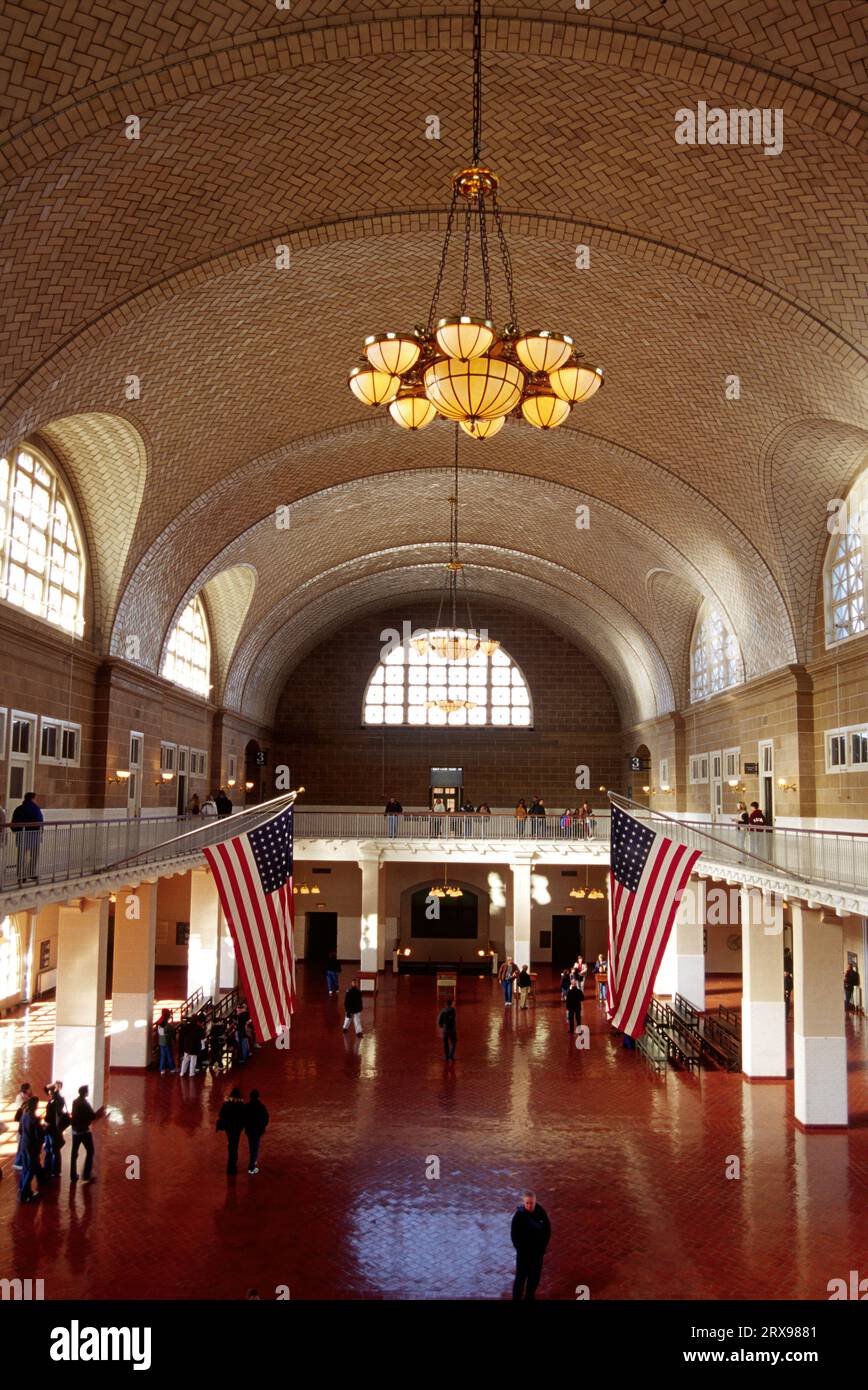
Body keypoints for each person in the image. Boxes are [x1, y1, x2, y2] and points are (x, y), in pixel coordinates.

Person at [510, 1191, 551, 1301]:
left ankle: (529, 1296)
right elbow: (514, 1235)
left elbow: (547, 1230)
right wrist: (520, 1249)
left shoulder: (541, 1213)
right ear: (524, 1202)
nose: (529, 1205)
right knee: (520, 1278)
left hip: (537, 1254)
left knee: (534, 1277)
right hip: (523, 1254)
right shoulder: (518, 1216)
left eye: (531, 1203)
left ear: (535, 1202)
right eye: (527, 1203)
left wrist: (542, 1247)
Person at [11, 791, 43, 882]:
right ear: (32, 799)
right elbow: (39, 821)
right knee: (34, 854)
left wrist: (17, 831)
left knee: (21, 855)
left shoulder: (18, 809)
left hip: (21, 834)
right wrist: (40, 831)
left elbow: (14, 823)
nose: (37, 801)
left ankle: (21, 875)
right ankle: (31, 872)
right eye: (36, 799)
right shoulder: (35, 809)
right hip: (34, 834)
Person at [18, 1096, 45, 1204]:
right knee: (31, 1169)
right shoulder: (35, 1119)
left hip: (24, 1145)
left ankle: (23, 1188)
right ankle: (24, 1194)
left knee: (25, 1167)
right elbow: (39, 1136)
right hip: (32, 1148)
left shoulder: (24, 1115)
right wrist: (43, 1129)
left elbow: (20, 1130)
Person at [216, 1087, 247, 1175]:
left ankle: (230, 1167)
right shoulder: (241, 1105)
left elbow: (221, 1114)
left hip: (228, 1128)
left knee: (231, 1143)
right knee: (235, 1145)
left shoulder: (227, 1104)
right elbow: (244, 1118)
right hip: (237, 1128)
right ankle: (233, 1166)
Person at [69, 1084, 96, 1184]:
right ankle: (86, 1174)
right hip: (84, 1131)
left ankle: (73, 1175)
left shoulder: (75, 1102)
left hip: (75, 1131)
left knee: (74, 1152)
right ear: (85, 1093)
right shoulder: (85, 1103)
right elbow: (93, 1115)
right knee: (90, 1150)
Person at [43, 1081, 68, 1178]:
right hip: (55, 1128)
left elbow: (50, 1116)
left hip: (51, 1128)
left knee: (52, 1148)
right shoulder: (58, 1099)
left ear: (50, 1092)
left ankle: (51, 1169)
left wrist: (46, 1123)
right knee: (54, 1148)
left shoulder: (53, 1101)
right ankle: (54, 1169)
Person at [245, 1089, 270, 1174]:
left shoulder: (247, 1106)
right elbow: (266, 1118)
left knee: (252, 1147)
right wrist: (262, 1126)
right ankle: (252, 1167)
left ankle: (253, 1162)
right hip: (258, 1130)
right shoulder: (261, 1107)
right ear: (258, 1097)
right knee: (255, 1147)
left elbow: (243, 1118)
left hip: (249, 1130)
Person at [12, 1081, 32, 1169]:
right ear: (26, 1089)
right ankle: (18, 1162)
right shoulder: (20, 1097)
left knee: (22, 1143)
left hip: (23, 1122)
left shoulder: (24, 1096)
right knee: (21, 1143)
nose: (31, 1090)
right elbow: (23, 1108)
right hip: (22, 1122)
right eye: (29, 1088)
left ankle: (20, 1162)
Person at [156, 1008, 176, 1073]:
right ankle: (172, 1068)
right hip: (167, 1041)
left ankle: (161, 1069)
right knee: (169, 1055)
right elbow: (172, 1031)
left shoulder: (159, 1022)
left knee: (162, 1055)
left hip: (161, 1041)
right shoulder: (168, 1025)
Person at [438, 996, 457, 1061]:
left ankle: (446, 1057)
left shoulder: (443, 1010)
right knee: (454, 1042)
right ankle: (451, 1054)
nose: (454, 1004)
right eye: (453, 1003)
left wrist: (441, 1026)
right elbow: (453, 1019)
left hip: (445, 1029)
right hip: (452, 1030)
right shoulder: (453, 1010)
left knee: (445, 1043)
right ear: (451, 1003)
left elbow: (440, 1020)